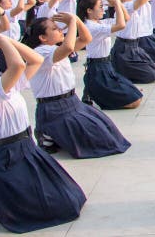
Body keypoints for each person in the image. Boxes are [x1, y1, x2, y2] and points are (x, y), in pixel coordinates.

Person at [0, 32, 86, 232]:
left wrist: (9, 41)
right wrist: (2, 40)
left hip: (26, 148)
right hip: (9, 157)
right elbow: (19, 65)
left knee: (72, 199)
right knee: (61, 208)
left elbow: (35, 60)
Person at [24, 13, 132, 157]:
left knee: (108, 134)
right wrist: (71, 23)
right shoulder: (40, 52)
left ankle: (53, 134)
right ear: (43, 38)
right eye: (55, 29)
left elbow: (86, 39)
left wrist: (77, 20)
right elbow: (68, 47)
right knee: (98, 142)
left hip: (70, 102)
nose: (60, 31)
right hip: (55, 108)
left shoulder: (54, 49)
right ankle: (48, 132)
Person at [77, 0, 143, 110]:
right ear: (89, 10)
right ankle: (92, 92)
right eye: (100, 7)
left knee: (136, 95)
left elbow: (126, 18)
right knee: (134, 101)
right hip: (98, 69)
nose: (104, 9)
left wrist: (118, 5)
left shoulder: (99, 22)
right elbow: (121, 25)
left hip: (106, 65)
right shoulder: (92, 26)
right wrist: (117, 3)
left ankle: (92, 92)